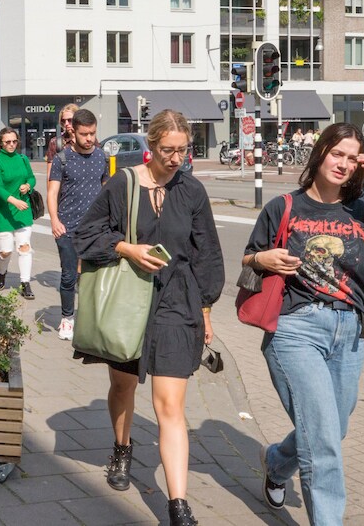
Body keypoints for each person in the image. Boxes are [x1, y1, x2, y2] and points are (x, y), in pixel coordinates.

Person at [244, 122, 364, 526]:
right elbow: (250, 258)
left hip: (350, 333)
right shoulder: (284, 206)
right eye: (337, 154)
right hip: (295, 329)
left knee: (331, 430)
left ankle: (276, 462)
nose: (343, 164)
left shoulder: (362, 211)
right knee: (322, 443)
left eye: (353, 158)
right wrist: (263, 259)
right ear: (319, 152)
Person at [73, 109, 224, 526]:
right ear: (150, 146)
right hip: (129, 304)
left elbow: (206, 254)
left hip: (177, 303)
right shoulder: (123, 184)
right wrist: (126, 248)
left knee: (170, 407)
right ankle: (122, 448)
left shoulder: (192, 191)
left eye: (183, 150)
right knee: (122, 386)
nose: (176, 158)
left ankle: (177, 506)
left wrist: (206, 308)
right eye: (167, 150)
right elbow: (85, 234)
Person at [47, 108, 108, 341]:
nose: (89, 138)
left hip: (94, 229)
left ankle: (90, 318)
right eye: (84, 134)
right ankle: (67, 319)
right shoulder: (62, 159)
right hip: (67, 226)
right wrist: (54, 220)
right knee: (69, 276)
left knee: (92, 276)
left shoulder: (101, 157)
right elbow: (52, 192)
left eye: (92, 133)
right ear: (73, 132)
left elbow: (106, 190)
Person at [0, 127, 37, 300]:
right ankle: (2, 274)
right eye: (8, 142)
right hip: (4, 211)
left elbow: (31, 177)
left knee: (24, 248)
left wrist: (28, 186)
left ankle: (25, 283)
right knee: (6, 251)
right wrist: (14, 200)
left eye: (14, 141)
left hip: (23, 210)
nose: (11, 145)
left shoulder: (23, 159)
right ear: (0, 143)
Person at [45, 103, 79, 181]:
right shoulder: (55, 142)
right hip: (64, 190)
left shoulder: (87, 140)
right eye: (64, 121)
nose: (66, 124)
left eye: (70, 120)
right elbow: (50, 175)